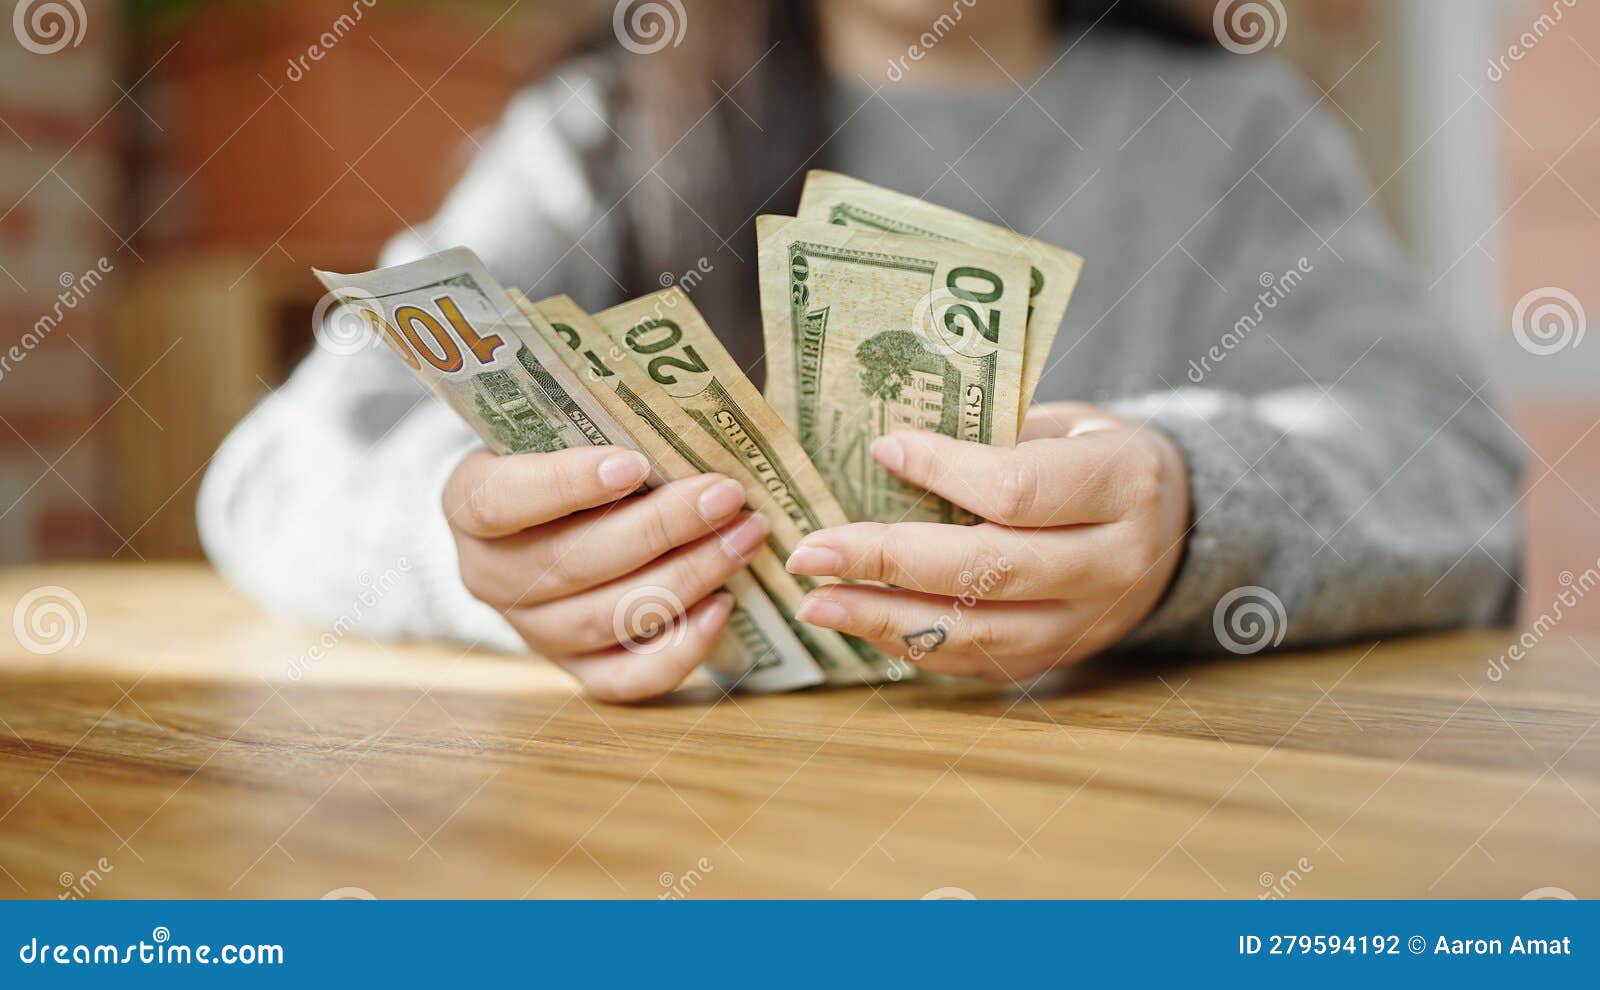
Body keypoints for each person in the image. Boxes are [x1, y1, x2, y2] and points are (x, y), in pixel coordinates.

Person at [198, 0, 1524, 701]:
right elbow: (283, 465)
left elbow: (1455, 474)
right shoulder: (607, 123)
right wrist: (480, 554)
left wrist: (1192, 511)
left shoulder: (1236, 129)